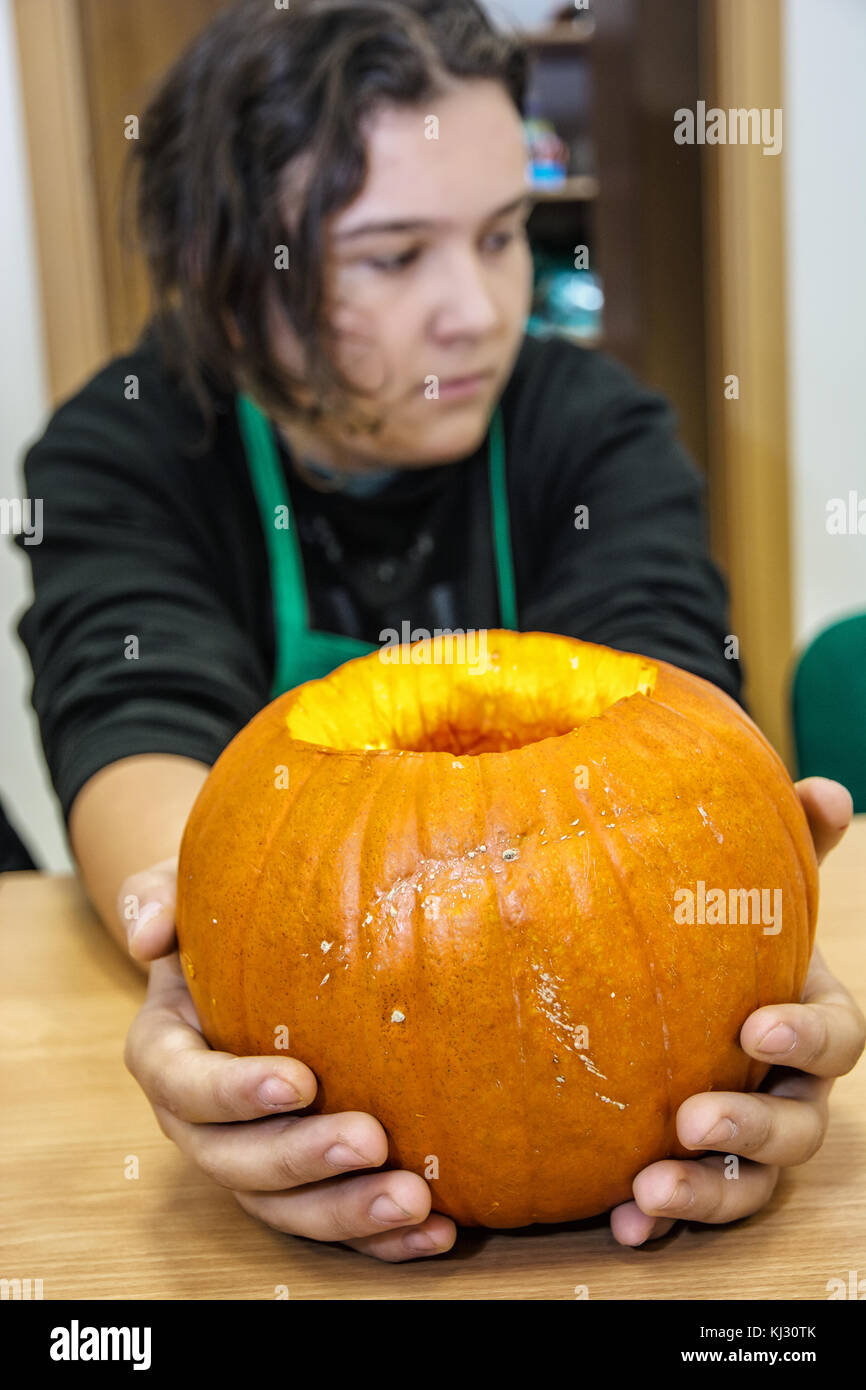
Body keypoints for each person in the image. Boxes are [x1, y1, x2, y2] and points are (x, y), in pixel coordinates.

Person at [12, 0, 864, 1263]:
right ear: (233, 279)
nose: (478, 310)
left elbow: (667, 733)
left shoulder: (591, 426)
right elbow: (131, 723)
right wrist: (195, 955)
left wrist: (736, 968)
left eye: (503, 232)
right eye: (393, 256)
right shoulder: (128, 447)